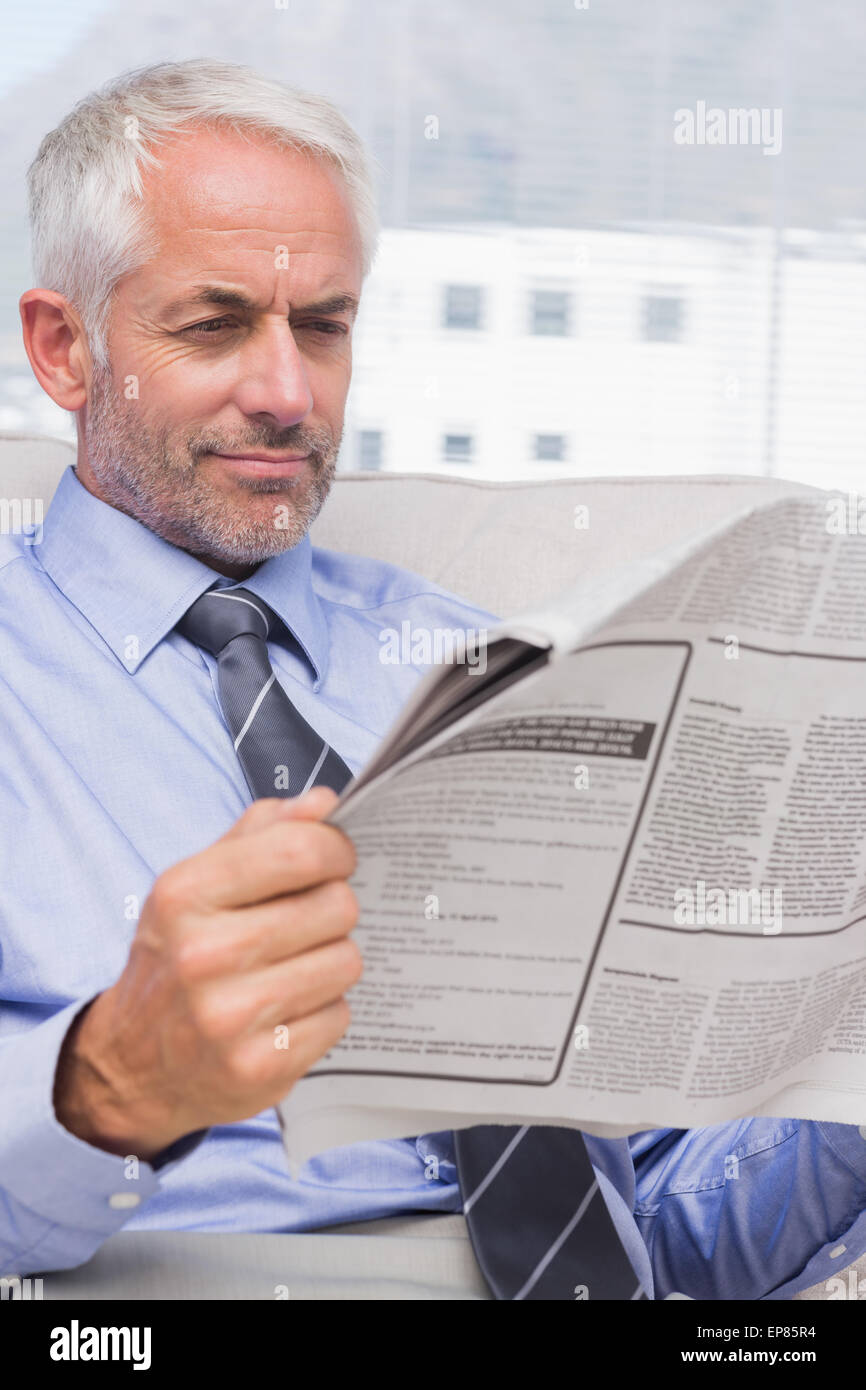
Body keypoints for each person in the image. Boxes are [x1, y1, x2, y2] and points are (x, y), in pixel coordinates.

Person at [3, 57, 866, 1300]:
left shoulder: (507, 671)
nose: (287, 394)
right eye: (214, 323)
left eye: (323, 325)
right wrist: (105, 1085)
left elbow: (670, 1233)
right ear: (65, 348)